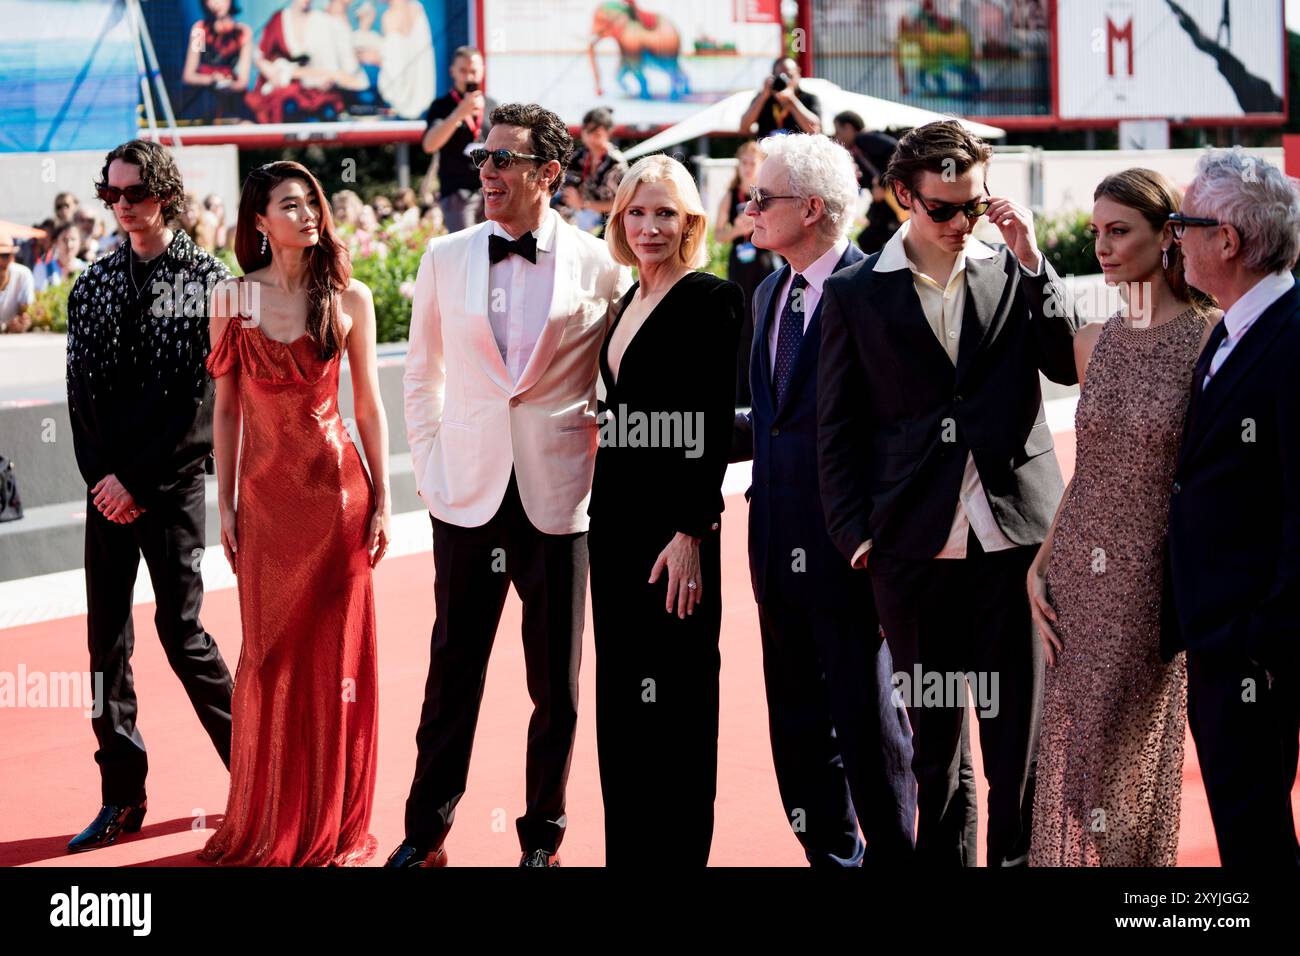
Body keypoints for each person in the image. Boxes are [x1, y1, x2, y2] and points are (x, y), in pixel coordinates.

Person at [817, 120, 1081, 867]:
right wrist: (856, 535)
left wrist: (1033, 259)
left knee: (1017, 748)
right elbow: (836, 429)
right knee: (935, 751)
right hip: (912, 551)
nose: (963, 222)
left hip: (1019, 547)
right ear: (904, 195)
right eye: (944, 208)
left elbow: (1063, 364)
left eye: (976, 204)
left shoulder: (1010, 268)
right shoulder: (855, 294)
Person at [391, 103, 632, 868]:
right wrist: (431, 470)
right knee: (451, 676)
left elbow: (619, 378)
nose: (487, 171)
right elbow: (419, 375)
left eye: (503, 160)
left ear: (547, 174)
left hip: (559, 499)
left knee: (554, 691)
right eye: (483, 158)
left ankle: (543, 839)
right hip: (465, 495)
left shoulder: (601, 263)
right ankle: (425, 834)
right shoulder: (445, 256)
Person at [730, 133, 916, 867]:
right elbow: (771, 419)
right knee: (800, 742)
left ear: (811, 208)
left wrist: (879, 543)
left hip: (852, 562)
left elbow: (901, 432)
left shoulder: (878, 292)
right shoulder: (770, 291)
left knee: (871, 741)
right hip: (776, 556)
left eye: (761, 198)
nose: (748, 211)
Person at [197, 161, 388, 866]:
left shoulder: (350, 297)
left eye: (312, 203)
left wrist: (385, 496)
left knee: (334, 661)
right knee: (269, 656)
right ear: (258, 222)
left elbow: (367, 405)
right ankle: (268, 815)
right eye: (290, 204)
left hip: (340, 497)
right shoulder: (232, 299)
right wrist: (224, 500)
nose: (308, 214)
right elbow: (223, 412)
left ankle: (330, 819)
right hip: (267, 506)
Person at [1027, 169, 1220, 866]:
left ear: (1169, 236)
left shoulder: (1209, 342)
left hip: (1152, 583)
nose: (1103, 248)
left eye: (1120, 231)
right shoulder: (1092, 343)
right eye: (1096, 232)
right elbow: (1093, 471)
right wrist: (1039, 566)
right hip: (1076, 578)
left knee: (1123, 764)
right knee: (1076, 764)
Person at [63, 140, 235, 852]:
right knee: (105, 644)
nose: (123, 206)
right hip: (106, 493)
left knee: (182, 634)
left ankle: (256, 772)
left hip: (169, 489)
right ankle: (121, 796)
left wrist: (135, 480)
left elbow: (202, 402)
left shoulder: (207, 280)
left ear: (164, 192)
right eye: (112, 195)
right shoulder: (93, 284)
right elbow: (80, 395)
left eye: (135, 193)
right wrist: (102, 482)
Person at [587, 155, 741, 866]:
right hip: (614, 525)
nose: (650, 227)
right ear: (619, 220)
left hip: (672, 531)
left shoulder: (712, 298)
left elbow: (708, 424)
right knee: (620, 703)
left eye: (665, 214)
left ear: (690, 222)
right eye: (637, 213)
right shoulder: (624, 302)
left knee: (675, 706)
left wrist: (691, 531)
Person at [1162, 148, 1300, 866]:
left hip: (1255, 645)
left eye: (1184, 223)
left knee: (1256, 834)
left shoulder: (1289, 332)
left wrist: (1262, 638)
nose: (1172, 236)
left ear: (1228, 240)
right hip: (1221, 634)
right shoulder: (1231, 325)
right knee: (1249, 828)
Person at [713, 140, 779, 406]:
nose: (748, 167)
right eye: (744, 162)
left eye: (753, 163)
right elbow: (718, 234)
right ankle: (742, 391)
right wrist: (739, 229)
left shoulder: (768, 193)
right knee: (743, 325)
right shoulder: (731, 196)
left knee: (767, 318)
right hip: (740, 263)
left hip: (765, 260)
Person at [422, 46, 497, 233]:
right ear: (452, 72)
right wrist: (459, 114)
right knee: (466, 250)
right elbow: (429, 145)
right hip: (457, 192)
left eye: (473, 71)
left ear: (482, 71)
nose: (469, 77)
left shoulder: (492, 106)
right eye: (463, 71)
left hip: (490, 189)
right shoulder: (442, 106)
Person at [556, 106, 628, 235]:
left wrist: (583, 204)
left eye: (597, 134)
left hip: (609, 223)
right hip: (578, 215)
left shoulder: (616, 162)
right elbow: (566, 185)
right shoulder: (580, 155)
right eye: (588, 132)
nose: (591, 138)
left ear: (607, 133)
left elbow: (620, 203)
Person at [181, 0, 253, 122]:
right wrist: (211, 79)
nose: (216, 4)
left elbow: (242, 81)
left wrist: (229, 85)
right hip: (203, 97)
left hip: (231, 98)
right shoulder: (201, 30)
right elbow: (188, 75)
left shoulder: (242, 33)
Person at [739, 57, 821, 139]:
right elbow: (744, 128)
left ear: (798, 73)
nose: (785, 81)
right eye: (780, 76)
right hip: (768, 150)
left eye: (789, 76)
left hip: (798, 151)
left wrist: (792, 101)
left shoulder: (809, 98)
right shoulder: (763, 98)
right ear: (773, 76)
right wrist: (763, 96)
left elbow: (815, 130)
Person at [33, 222, 88, 291]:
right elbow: (39, 298)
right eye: (64, 240)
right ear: (56, 242)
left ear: (80, 242)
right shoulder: (42, 268)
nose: (69, 245)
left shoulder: (86, 269)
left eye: (73, 239)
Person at [0, 234, 35, 334]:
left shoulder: (23, 275)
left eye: (5, 255)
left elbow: (26, 311)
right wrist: (5, 327)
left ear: (12, 257)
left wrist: (24, 321)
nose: (1, 261)